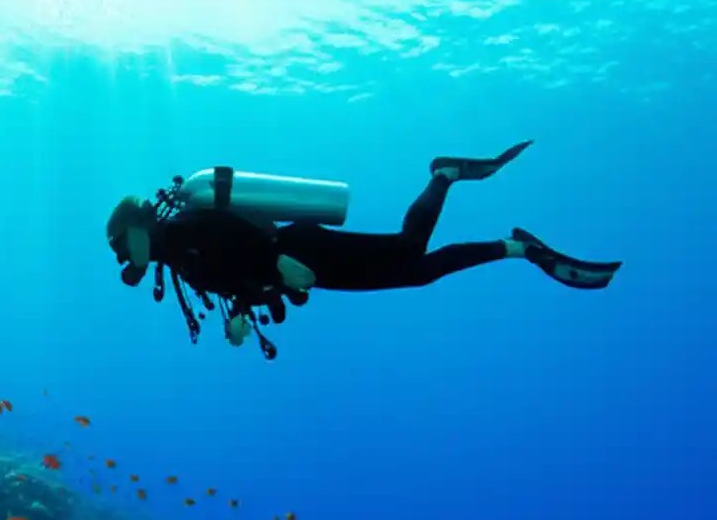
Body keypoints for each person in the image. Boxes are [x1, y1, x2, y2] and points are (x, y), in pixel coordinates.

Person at [105, 141, 621, 359]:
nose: (126, 261)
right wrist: (243, 310)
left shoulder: (183, 230)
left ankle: (454, 187)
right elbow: (232, 269)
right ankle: (509, 241)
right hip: (303, 265)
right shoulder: (178, 258)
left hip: (299, 250)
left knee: (412, 255)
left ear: (136, 229)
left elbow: (237, 233)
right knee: (414, 264)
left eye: (122, 248)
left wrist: (274, 262)